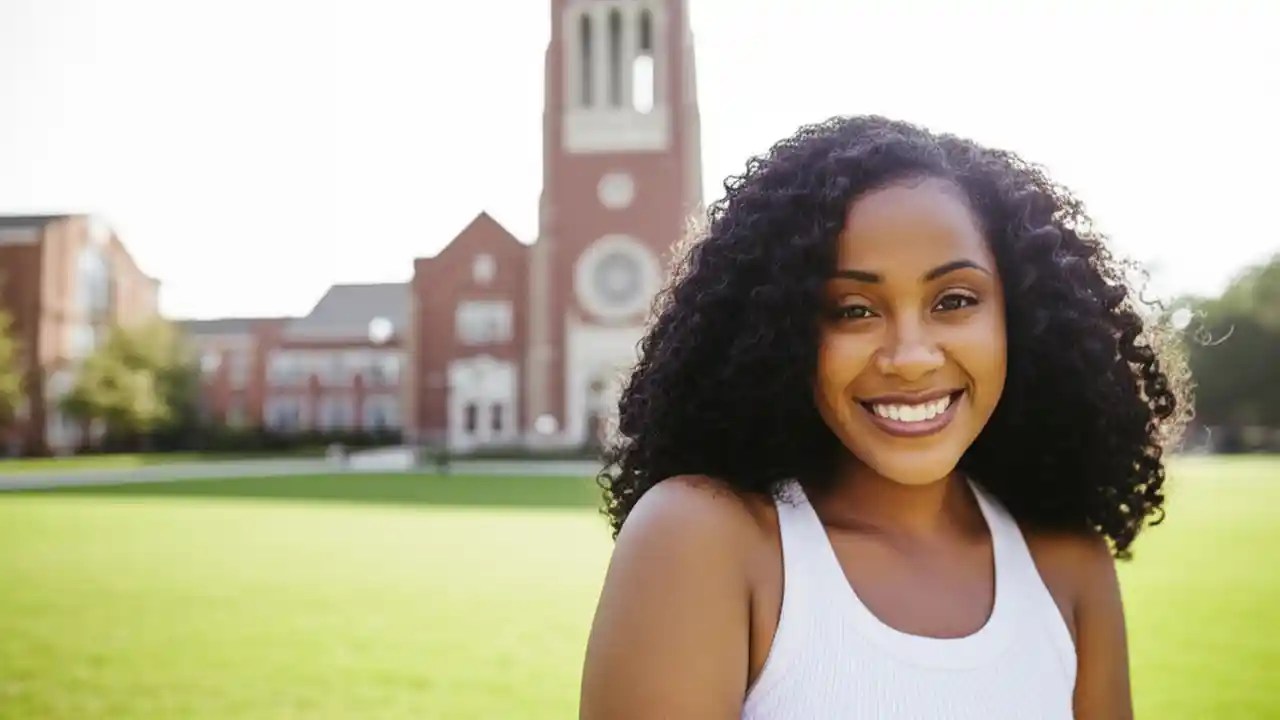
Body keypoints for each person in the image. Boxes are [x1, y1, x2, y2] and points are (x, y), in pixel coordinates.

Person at [578, 116, 1187, 719]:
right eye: (853, 310)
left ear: (1019, 316)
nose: (911, 359)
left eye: (954, 301)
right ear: (783, 331)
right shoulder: (706, 541)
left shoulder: (1068, 566)